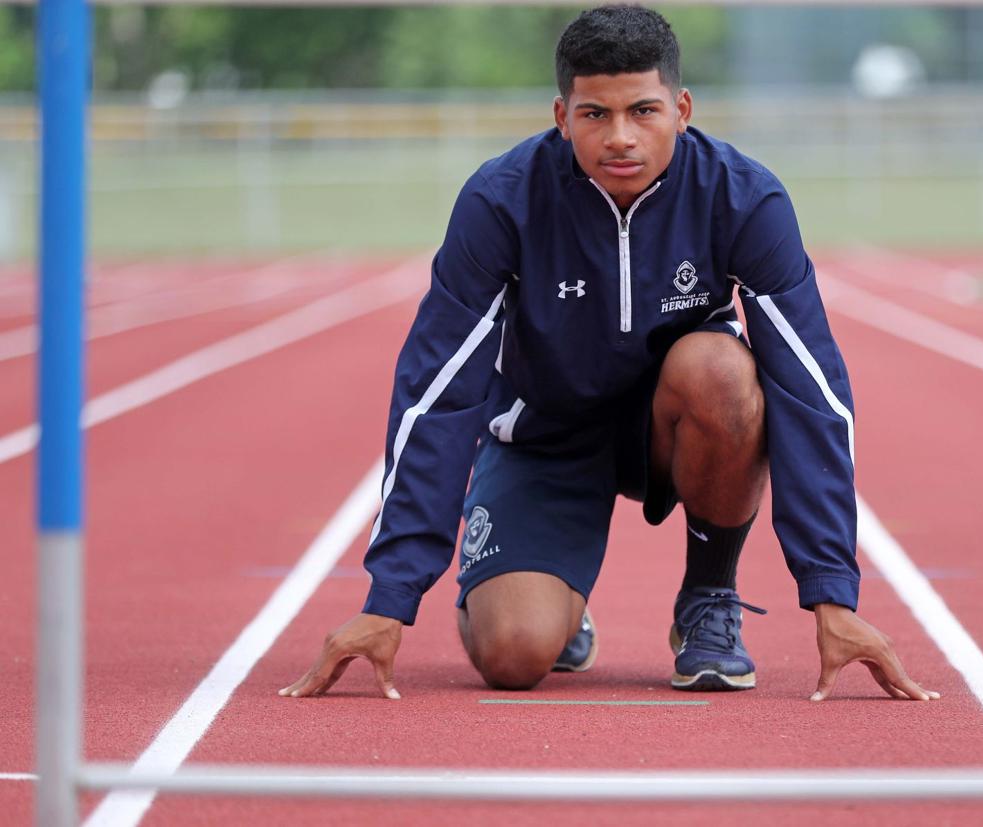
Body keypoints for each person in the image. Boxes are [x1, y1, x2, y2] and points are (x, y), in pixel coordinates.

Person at [282, 4, 937, 703]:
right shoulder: (501, 202)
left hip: (673, 421)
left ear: (682, 108)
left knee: (723, 370)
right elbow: (437, 386)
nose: (620, 137)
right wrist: (391, 595)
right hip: (546, 436)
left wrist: (831, 593)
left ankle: (708, 596)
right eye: (595, 114)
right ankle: (548, 592)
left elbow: (811, 385)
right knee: (514, 655)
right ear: (561, 116)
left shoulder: (742, 198)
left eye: (644, 111)